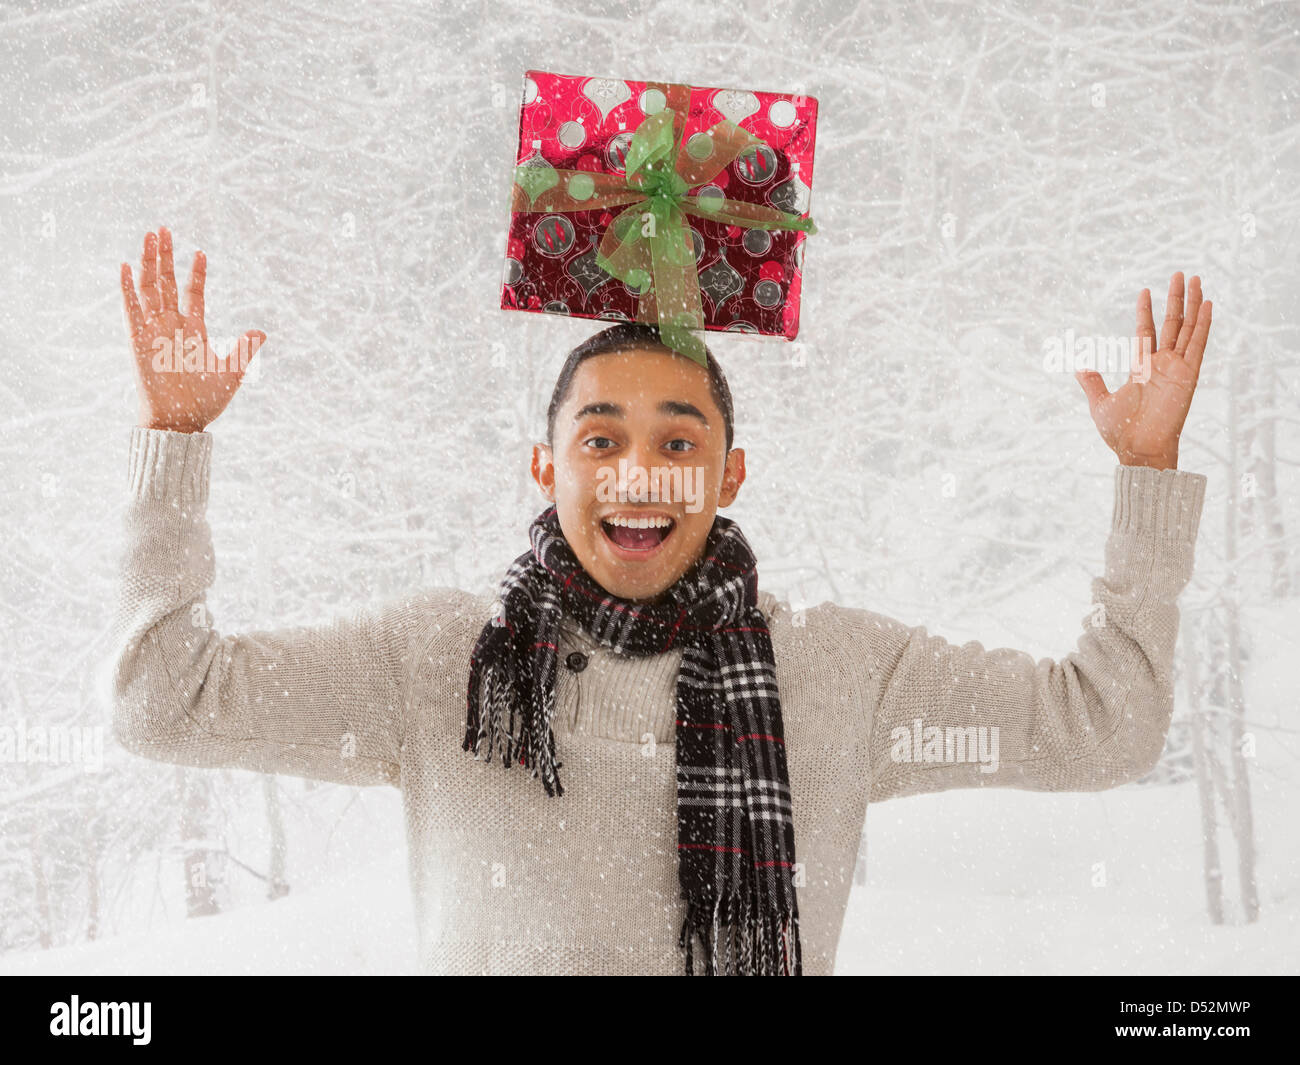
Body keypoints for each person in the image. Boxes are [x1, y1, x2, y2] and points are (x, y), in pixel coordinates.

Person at [107, 226, 1211, 976]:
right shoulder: (437, 661)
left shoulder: (838, 673)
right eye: (601, 440)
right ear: (545, 469)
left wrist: (1146, 474)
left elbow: (1103, 726)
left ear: (730, 475)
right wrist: (174, 441)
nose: (639, 474)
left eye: (678, 440)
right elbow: (164, 702)